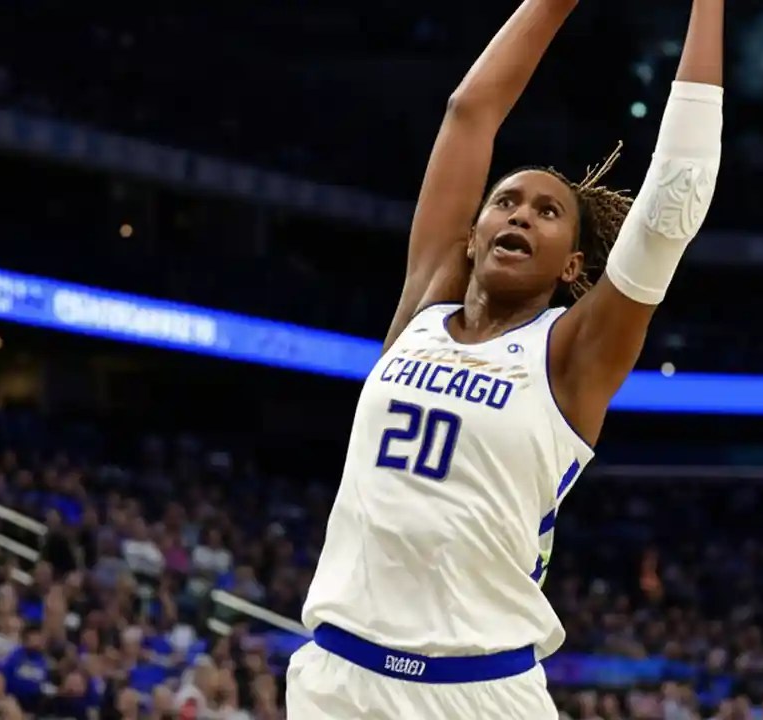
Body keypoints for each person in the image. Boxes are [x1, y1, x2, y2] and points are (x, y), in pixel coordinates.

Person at [287, 0, 724, 717]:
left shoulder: (572, 355)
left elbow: (678, 193)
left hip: (480, 693)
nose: (520, 213)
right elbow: (469, 113)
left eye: (547, 212)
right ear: (472, 234)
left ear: (572, 265)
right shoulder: (423, 308)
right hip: (337, 683)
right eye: (506, 202)